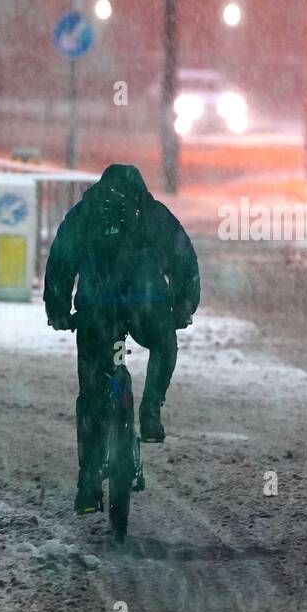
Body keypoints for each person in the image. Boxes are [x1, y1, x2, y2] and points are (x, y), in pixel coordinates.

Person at [44, 164, 200, 513]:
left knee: (91, 394)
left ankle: (88, 483)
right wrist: (183, 308)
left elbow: (60, 261)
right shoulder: (152, 213)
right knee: (164, 344)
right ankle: (150, 410)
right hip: (147, 305)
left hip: (97, 309)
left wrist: (58, 311)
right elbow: (184, 259)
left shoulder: (86, 213)